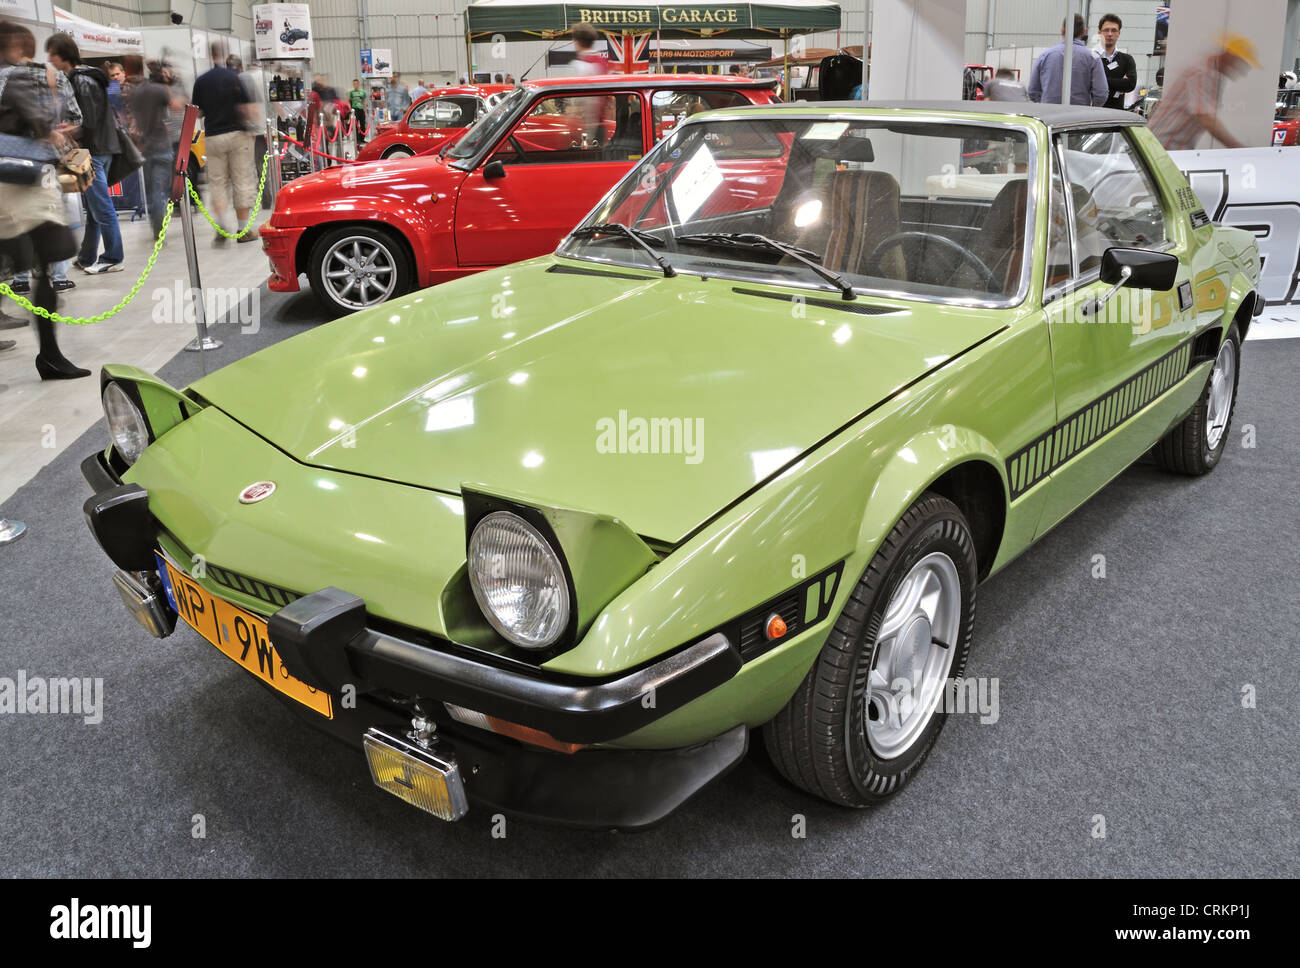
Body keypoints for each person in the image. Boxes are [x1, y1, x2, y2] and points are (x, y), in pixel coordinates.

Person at [0, 21, 88, 378]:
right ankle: (50, 356)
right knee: (50, 256)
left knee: (30, 259)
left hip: (15, 178)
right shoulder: (31, 75)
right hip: (27, 177)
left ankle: (50, 356)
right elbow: (70, 117)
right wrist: (49, 130)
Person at [5, 23, 81, 296]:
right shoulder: (54, 77)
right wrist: (58, 131)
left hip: (9, 162)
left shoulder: (3, 77)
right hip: (46, 161)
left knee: (15, 220)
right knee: (52, 218)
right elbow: (75, 117)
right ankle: (57, 277)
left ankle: (21, 277)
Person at [46, 33, 124, 273]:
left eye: (52, 55)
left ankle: (113, 257)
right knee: (94, 208)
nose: (50, 60)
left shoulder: (80, 81)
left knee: (102, 207)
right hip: (99, 149)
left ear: (62, 56)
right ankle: (87, 255)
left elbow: (89, 120)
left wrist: (69, 129)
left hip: (94, 153)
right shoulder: (86, 77)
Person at [191, 41, 258, 243]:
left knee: (217, 182)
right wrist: (251, 126)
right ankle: (243, 230)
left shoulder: (201, 81)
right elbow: (246, 108)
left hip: (212, 136)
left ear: (210, 55)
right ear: (224, 54)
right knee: (241, 180)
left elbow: (197, 111)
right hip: (237, 134)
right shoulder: (234, 77)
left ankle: (220, 226)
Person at [1149, 33, 1260, 150]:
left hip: (1167, 146)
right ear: (1229, 57)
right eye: (1240, 63)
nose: (1241, 70)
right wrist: (1236, 146)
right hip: (1163, 146)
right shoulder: (1203, 74)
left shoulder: (1210, 73)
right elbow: (1205, 118)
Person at [130, 60, 172, 240]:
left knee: (151, 189)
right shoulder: (160, 90)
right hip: (162, 144)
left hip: (145, 146)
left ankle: (156, 224)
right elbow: (173, 104)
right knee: (160, 189)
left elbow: (133, 119)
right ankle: (159, 225)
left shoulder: (136, 92)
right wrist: (167, 83)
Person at [1027, 13, 1108, 106]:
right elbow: (1101, 93)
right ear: (1084, 32)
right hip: (1079, 115)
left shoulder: (1045, 56)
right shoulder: (1093, 58)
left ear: (1062, 31)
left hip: (1049, 115)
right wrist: (1091, 109)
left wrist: (1046, 104)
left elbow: (1033, 91)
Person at [1096, 13, 1137, 110]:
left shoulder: (1127, 59)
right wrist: (1120, 82)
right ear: (1099, 33)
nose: (1110, 34)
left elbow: (1130, 84)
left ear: (1119, 33)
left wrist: (1101, 80)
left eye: (1114, 30)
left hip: (1118, 114)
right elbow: (1087, 83)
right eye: (1106, 30)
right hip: (1094, 114)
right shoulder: (1092, 58)